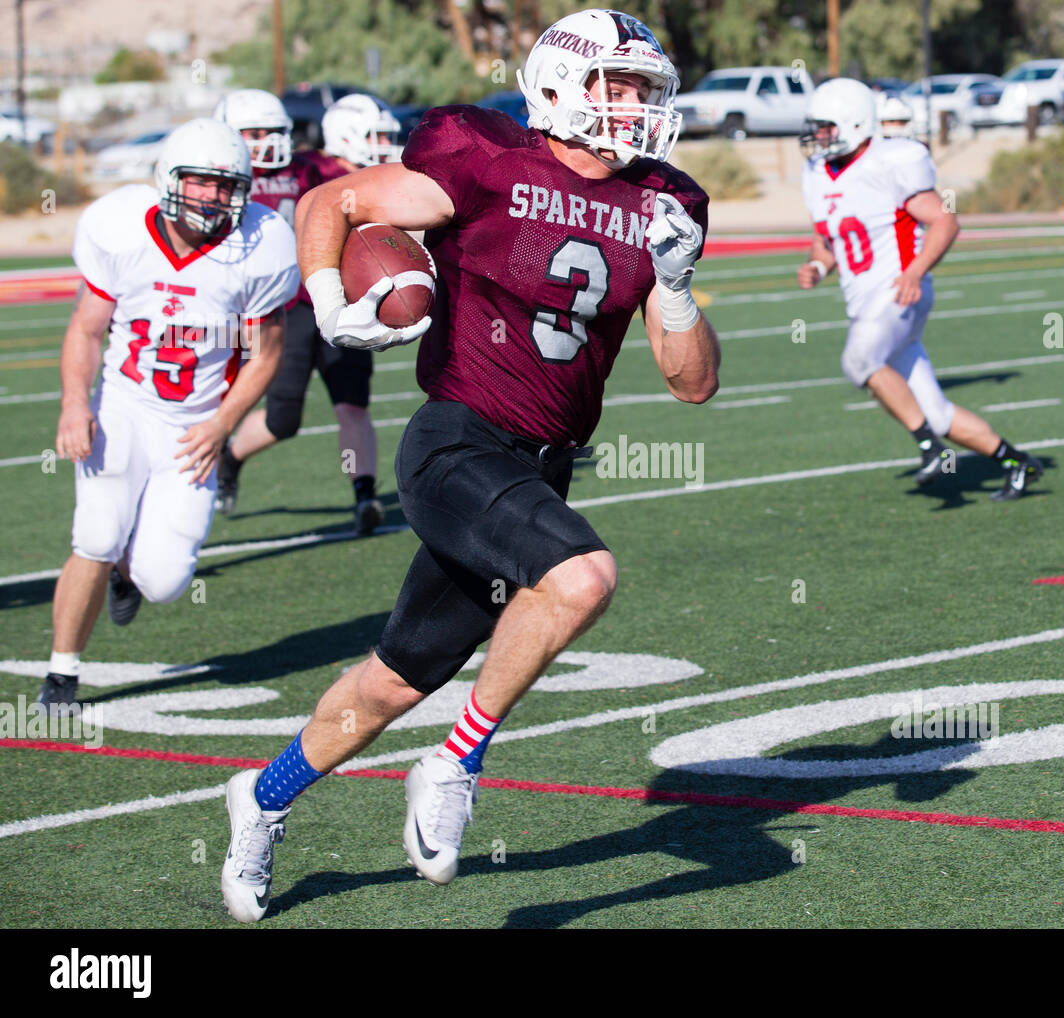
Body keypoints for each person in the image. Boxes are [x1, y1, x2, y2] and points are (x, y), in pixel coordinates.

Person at [220, 8, 720, 922]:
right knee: (583, 577)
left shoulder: (666, 202)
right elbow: (331, 202)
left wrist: (678, 291)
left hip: (539, 470)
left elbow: (692, 386)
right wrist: (331, 302)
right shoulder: (484, 154)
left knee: (390, 681)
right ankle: (456, 761)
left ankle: (261, 796)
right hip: (456, 440)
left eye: (647, 89)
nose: (637, 107)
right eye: (618, 85)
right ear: (561, 85)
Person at [39, 118, 298, 707]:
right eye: (200, 181)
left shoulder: (257, 249)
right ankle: (62, 673)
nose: (210, 195)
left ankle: (127, 576)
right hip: (125, 406)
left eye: (224, 184)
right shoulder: (122, 231)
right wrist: (76, 404)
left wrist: (222, 423)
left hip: (194, 422)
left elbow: (266, 355)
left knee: (164, 580)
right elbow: (85, 331)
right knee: (97, 534)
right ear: (169, 180)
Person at [796, 78, 1044, 501]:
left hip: (899, 291)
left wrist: (914, 272)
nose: (819, 136)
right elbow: (829, 237)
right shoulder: (818, 173)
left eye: (827, 127)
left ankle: (929, 448)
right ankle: (1015, 462)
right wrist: (818, 266)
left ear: (854, 124)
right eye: (816, 127)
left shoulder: (889, 161)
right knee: (938, 412)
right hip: (869, 302)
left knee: (858, 361)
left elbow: (945, 220)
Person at [214, 92, 404, 534]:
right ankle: (230, 455)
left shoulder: (309, 168)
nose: (265, 143)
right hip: (286, 310)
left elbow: (352, 171)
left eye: (273, 133)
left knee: (352, 406)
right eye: (254, 134)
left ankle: (364, 495)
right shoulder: (228, 179)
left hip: (339, 301)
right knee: (283, 419)